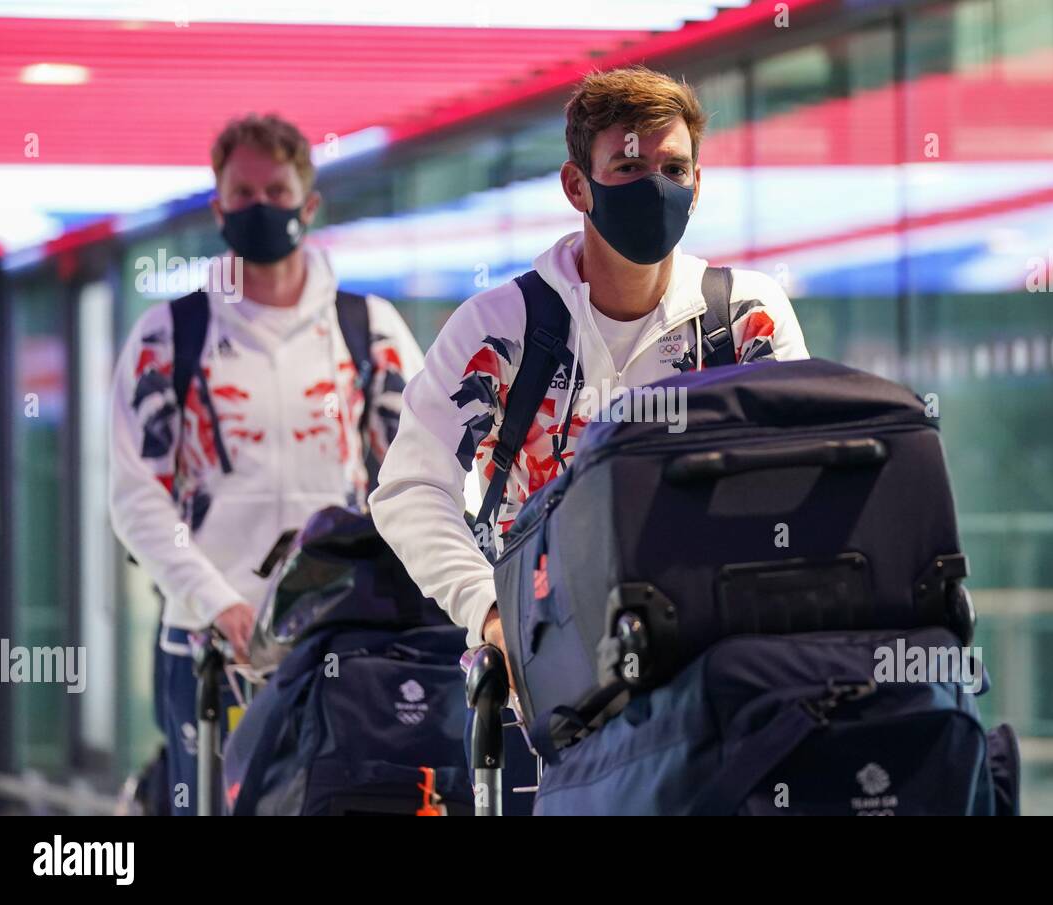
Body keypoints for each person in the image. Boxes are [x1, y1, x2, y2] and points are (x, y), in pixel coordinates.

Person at [370, 66, 809, 679]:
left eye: (674, 170)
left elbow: (800, 473)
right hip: (551, 668)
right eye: (629, 168)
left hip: (717, 668)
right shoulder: (499, 328)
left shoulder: (743, 317)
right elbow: (410, 488)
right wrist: (492, 613)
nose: (657, 187)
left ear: (698, 183)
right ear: (577, 186)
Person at [109, 114, 423, 814]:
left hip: (341, 639)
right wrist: (217, 602)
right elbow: (135, 498)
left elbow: (421, 476)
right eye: (242, 193)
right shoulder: (168, 336)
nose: (260, 207)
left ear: (308, 204)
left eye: (276, 190)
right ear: (218, 208)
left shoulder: (369, 329)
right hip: (202, 646)